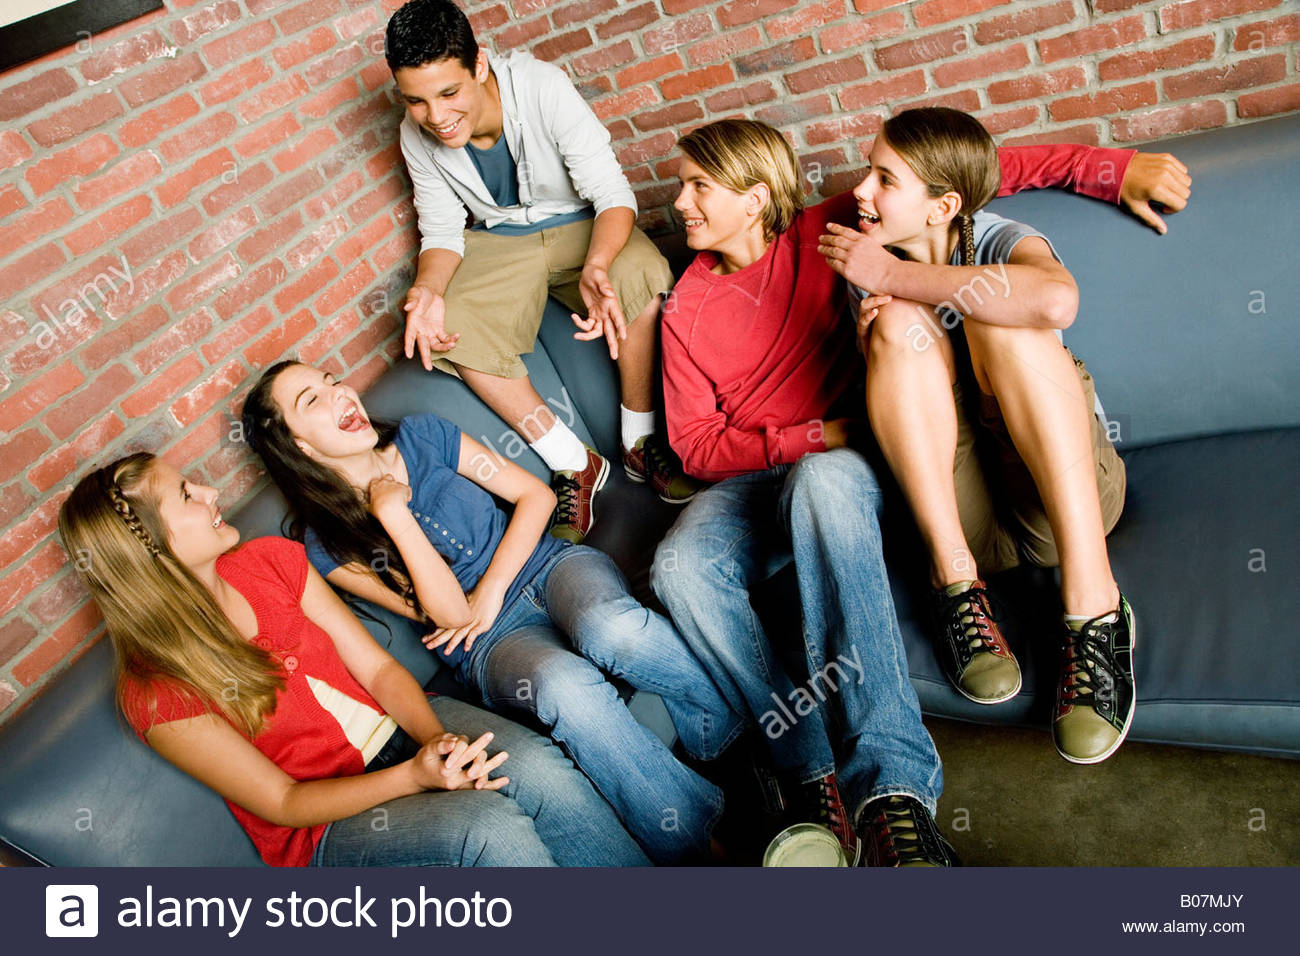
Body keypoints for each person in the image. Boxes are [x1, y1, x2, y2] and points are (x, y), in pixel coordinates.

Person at [652, 118, 1189, 865]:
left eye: (697, 185)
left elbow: (983, 187)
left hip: (1005, 483)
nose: (679, 203)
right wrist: (827, 422)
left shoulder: (884, 233)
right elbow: (696, 447)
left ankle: (1083, 620)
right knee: (681, 566)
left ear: (755, 196)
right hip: (877, 487)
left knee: (999, 321)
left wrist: (1112, 169)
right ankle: (830, 760)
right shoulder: (707, 298)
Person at [242, 361, 742, 864]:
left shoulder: (423, 435)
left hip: (547, 566)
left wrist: (491, 590)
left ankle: (732, 733)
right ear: (300, 447)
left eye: (331, 381)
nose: (338, 394)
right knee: (562, 686)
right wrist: (392, 514)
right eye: (312, 401)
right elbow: (449, 612)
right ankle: (699, 848)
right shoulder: (326, 547)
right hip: (487, 642)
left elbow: (536, 495)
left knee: (610, 627)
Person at [57, 453, 650, 868]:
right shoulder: (156, 691)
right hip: (327, 826)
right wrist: (416, 777)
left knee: (537, 769)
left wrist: (439, 745)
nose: (210, 493)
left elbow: (379, 670)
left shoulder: (270, 560)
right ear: (151, 552)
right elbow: (283, 803)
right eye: (186, 495)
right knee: (484, 828)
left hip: (406, 731)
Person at [818, 108, 1137, 764]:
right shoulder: (869, 268)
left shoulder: (995, 236)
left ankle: (1096, 606)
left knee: (1000, 310)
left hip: (1060, 505)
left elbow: (1056, 302)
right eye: (867, 173)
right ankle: (955, 586)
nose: (862, 191)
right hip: (972, 526)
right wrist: (878, 328)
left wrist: (892, 277)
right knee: (898, 325)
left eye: (884, 178)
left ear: (944, 206)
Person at [384, 0, 698, 544]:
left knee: (644, 275)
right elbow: (441, 232)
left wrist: (598, 264)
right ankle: (574, 463)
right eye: (416, 100)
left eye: (448, 93)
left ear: (479, 65)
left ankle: (638, 442)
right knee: (451, 329)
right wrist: (428, 290)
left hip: (579, 225)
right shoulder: (416, 137)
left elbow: (612, 194)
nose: (436, 116)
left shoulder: (540, 86)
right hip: (497, 242)